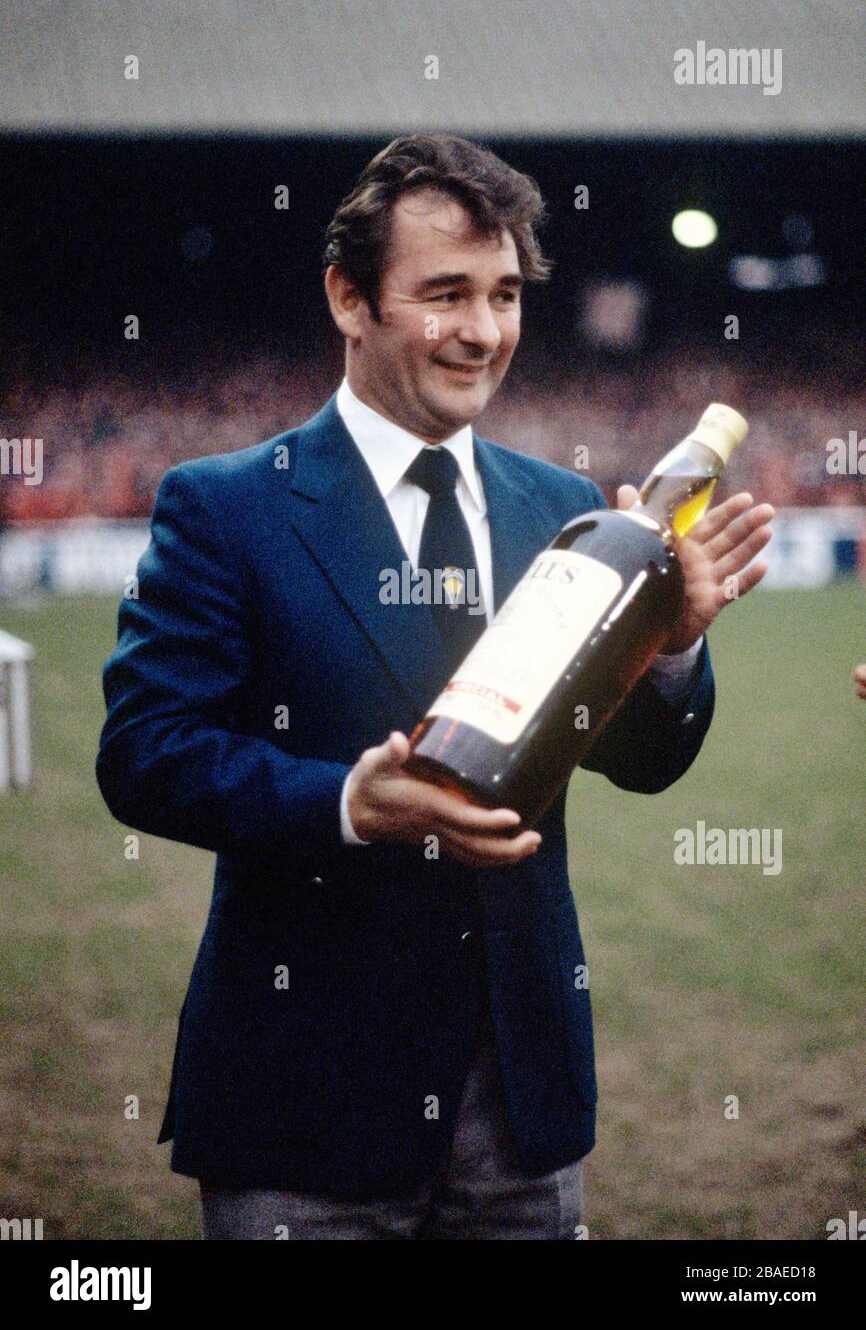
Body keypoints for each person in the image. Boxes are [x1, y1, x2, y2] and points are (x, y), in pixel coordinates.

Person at [96, 133, 773, 1239]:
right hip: (302, 1107)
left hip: (518, 1101)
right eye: (444, 293)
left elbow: (643, 764)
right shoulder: (225, 506)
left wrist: (667, 650)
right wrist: (345, 806)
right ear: (348, 298)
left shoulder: (560, 509)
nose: (483, 330)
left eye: (504, 293)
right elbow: (144, 755)